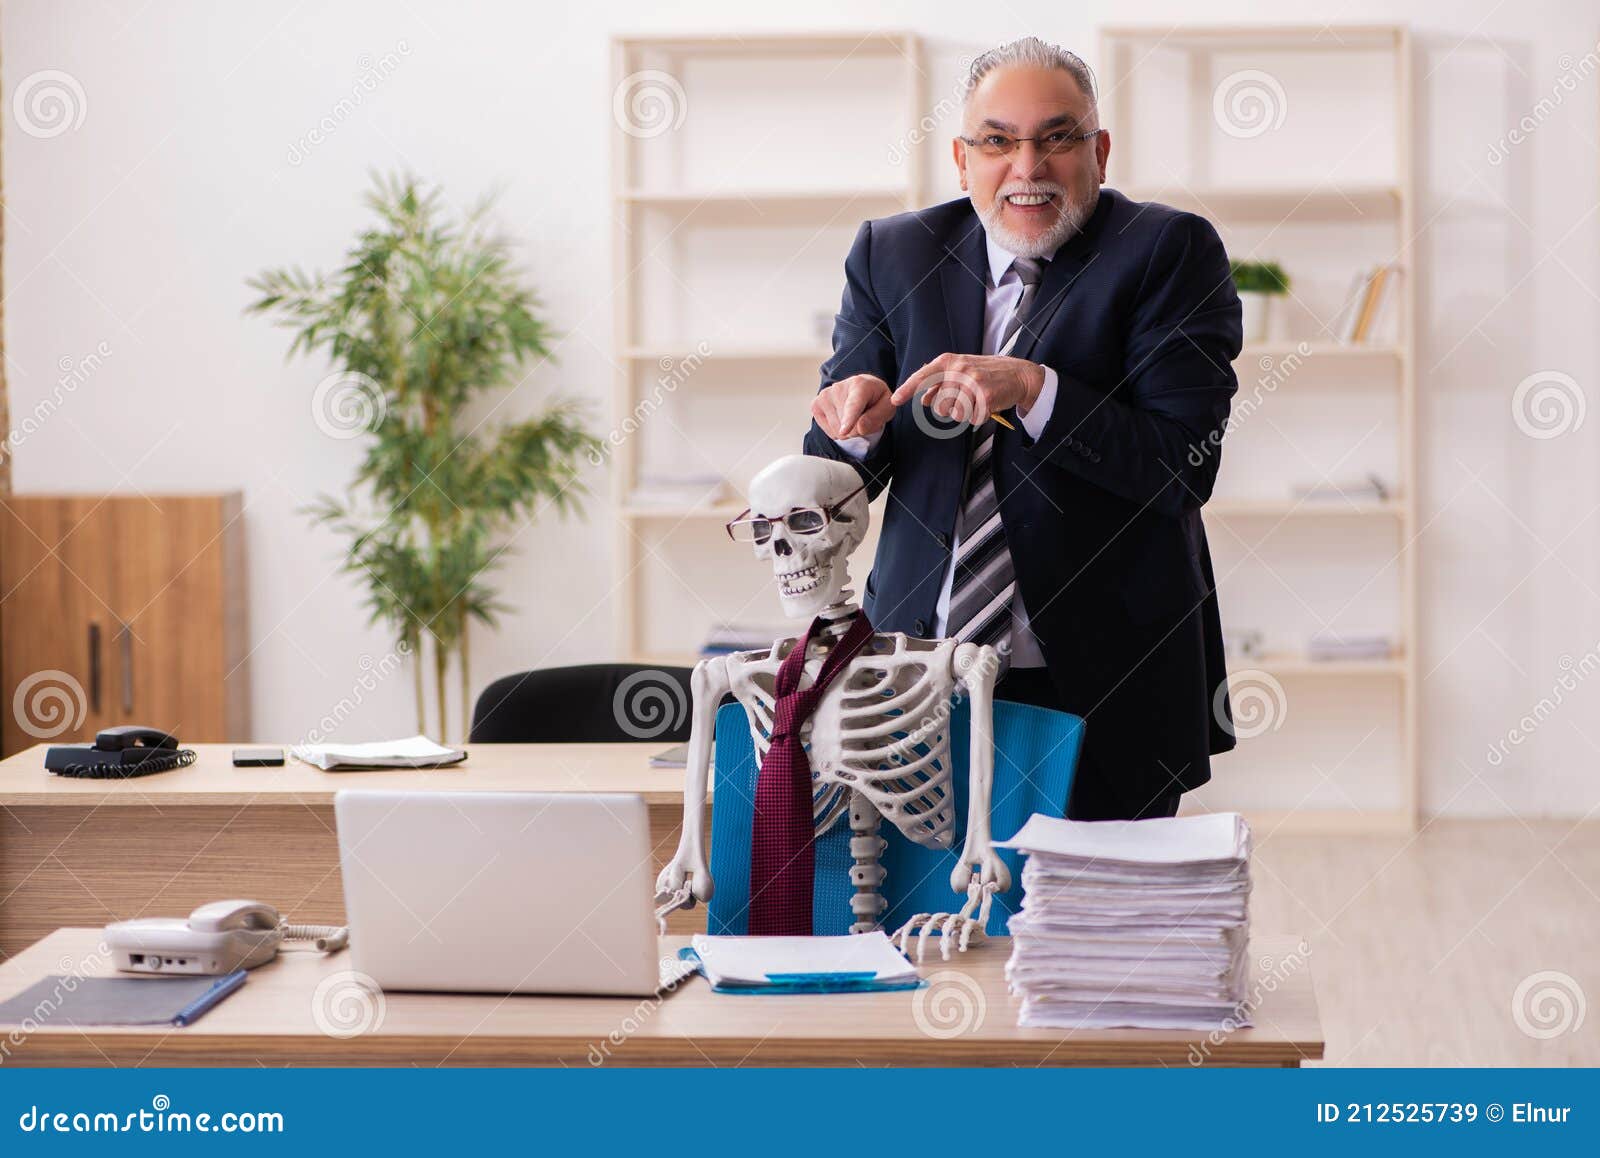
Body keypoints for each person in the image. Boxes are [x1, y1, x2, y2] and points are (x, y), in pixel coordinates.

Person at [803, 36, 1241, 821]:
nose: (1028, 167)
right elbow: (832, 484)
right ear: (962, 158)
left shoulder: (1167, 250)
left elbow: (1182, 468)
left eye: (1058, 138)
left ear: (1099, 151)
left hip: (1103, 684)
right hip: (914, 679)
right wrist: (854, 425)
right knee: (919, 932)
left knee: (1090, 935)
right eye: (998, 142)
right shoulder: (892, 253)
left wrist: (1037, 390)